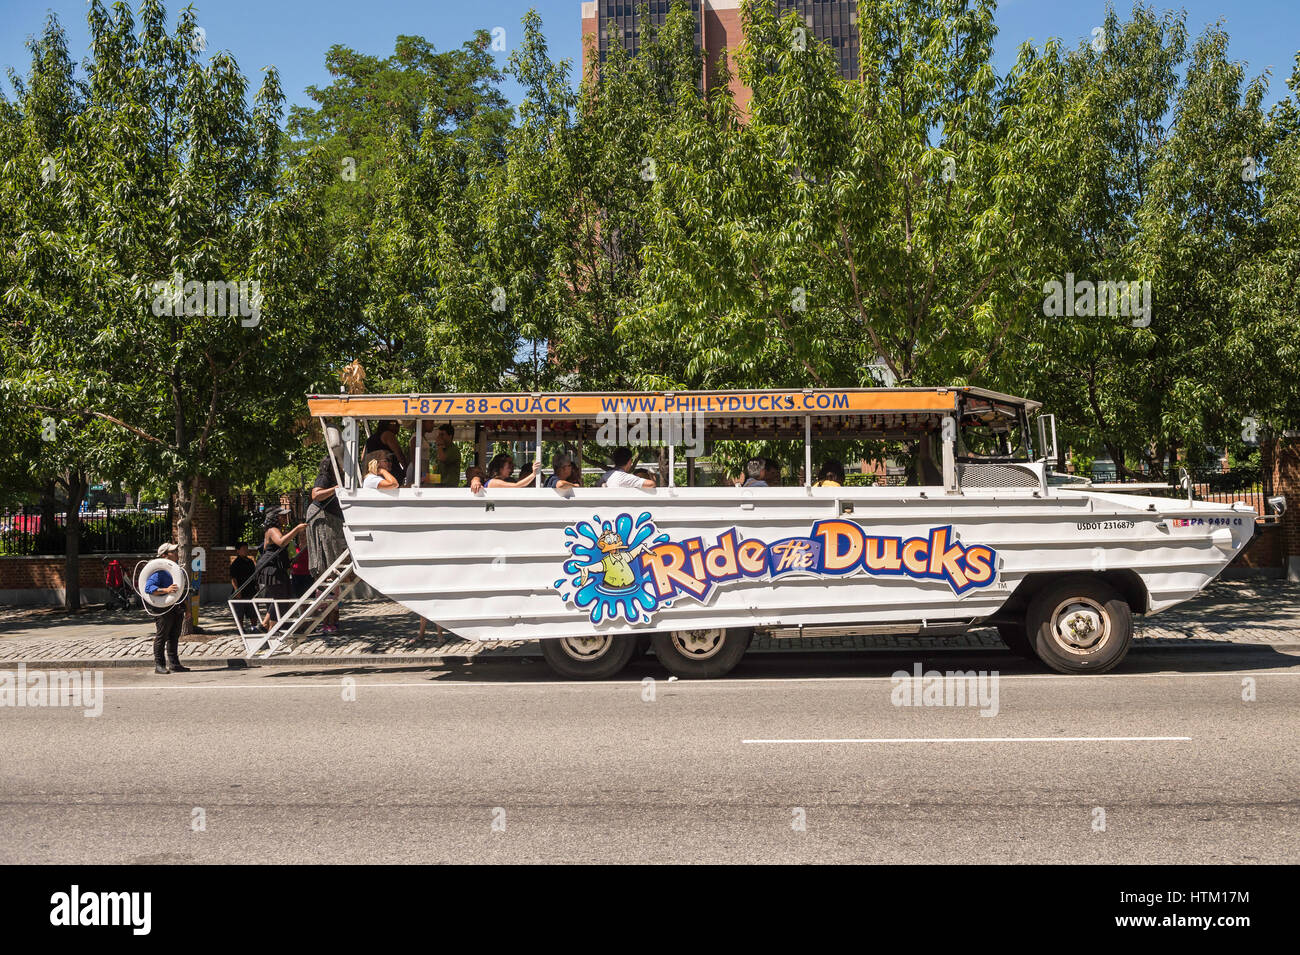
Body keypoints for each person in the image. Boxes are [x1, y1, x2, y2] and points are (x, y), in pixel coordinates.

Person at [306, 429, 348, 635]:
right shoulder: (325, 477)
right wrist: (336, 489)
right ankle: (327, 621)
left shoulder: (334, 475)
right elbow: (316, 494)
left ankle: (332, 620)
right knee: (327, 572)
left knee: (333, 578)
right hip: (323, 521)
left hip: (331, 521)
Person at [256, 506, 307, 631]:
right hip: (271, 569)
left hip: (277, 567)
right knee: (281, 598)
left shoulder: (276, 529)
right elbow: (281, 542)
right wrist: (297, 529)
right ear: (275, 518)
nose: (285, 518)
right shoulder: (272, 530)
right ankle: (272, 629)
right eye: (282, 516)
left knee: (284, 596)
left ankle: (264, 624)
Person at [146, 542, 189, 675]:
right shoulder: (159, 572)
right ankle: (159, 665)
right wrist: (166, 590)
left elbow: (182, 590)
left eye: (176, 551)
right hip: (163, 608)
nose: (176, 553)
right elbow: (149, 588)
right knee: (162, 635)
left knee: (174, 635)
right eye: (173, 552)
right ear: (164, 555)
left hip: (176, 606)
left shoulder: (176, 570)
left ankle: (174, 664)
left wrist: (187, 609)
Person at [364, 420, 406, 485]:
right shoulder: (387, 434)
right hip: (389, 472)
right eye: (396, 424)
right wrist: (406, 468)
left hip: (374, 471)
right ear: (388, 424)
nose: (398, 427)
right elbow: (399, 453)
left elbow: (363, 457)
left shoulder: (370, 439)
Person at [229, 542, 258, 629]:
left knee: (253, 610)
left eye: (247, 548)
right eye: (243, 549)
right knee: (239, 612)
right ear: (238, 551)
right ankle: (241, 629)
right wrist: (237, 590)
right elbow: (233, 579)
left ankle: (254, 627)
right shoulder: (235, 564)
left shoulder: (250, 562)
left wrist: (257, 585)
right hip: (240, 592)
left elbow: (254, 575)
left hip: (251, 590)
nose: (246, 550)